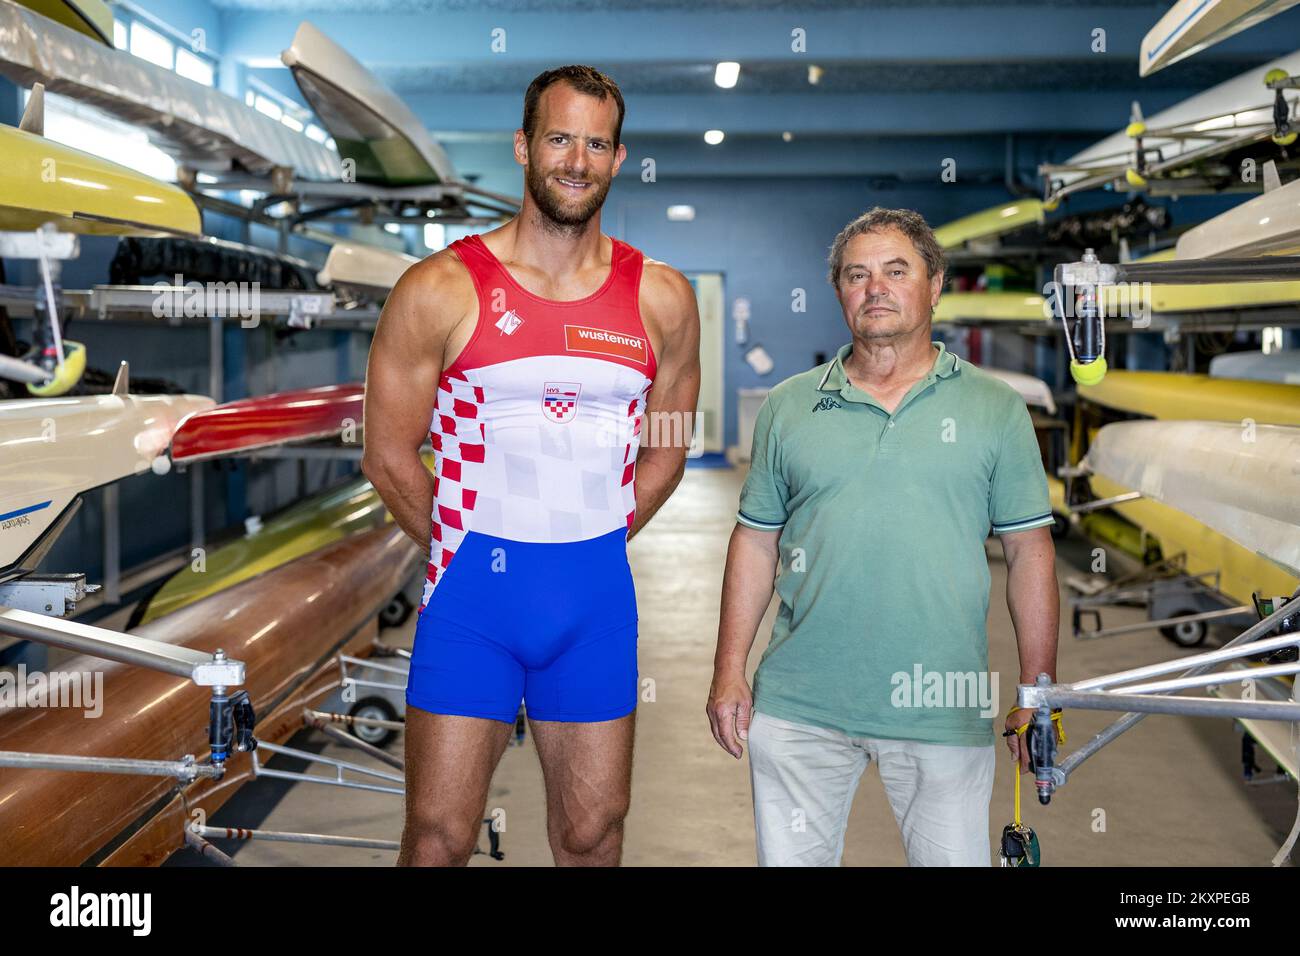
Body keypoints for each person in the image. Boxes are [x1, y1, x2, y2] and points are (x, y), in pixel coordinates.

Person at [363, 65, 700, 866]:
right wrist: (462, 550)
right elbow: (386, 455)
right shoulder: (439, 289)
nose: (576, 160)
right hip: (472, 598)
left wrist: (595, 538)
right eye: (559, 138)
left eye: (596, 143)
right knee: (439, 838)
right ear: (523, 146)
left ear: (618, 159)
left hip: (594, 599)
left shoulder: (662, 298)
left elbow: (671, 441)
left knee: (592, 833)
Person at [707, 206, 1059, 866]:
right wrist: (730, 671)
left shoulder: (994, 408)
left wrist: (1036, 691)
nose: (875, 288)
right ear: (839, 291)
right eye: (856, 274)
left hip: (942, 706)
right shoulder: (789, 406)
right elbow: (754, 542)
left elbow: (1029, 550)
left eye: (897, 271)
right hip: (799, 705)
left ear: (935, 284)